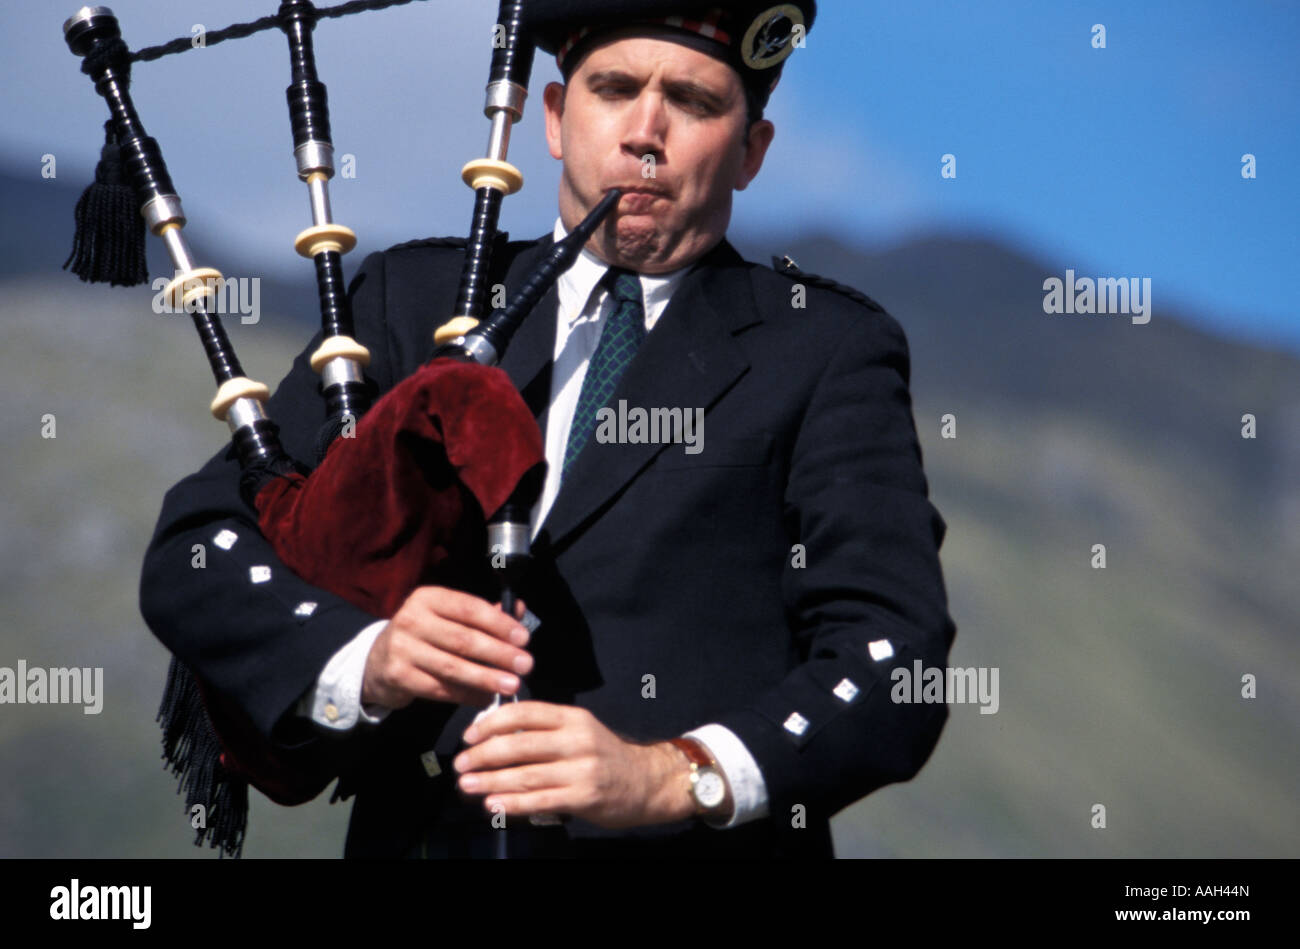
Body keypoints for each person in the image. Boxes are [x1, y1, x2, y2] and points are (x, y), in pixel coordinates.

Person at [140, 0, 958, 858]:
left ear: (751, 152)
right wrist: (365, 658)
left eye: (694, 102)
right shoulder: (412, 302)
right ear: (557, 119)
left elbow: (893, 654)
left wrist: (675, 775)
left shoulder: (822, 348)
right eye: (614, 89)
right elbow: (197, 544)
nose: (647, 132)